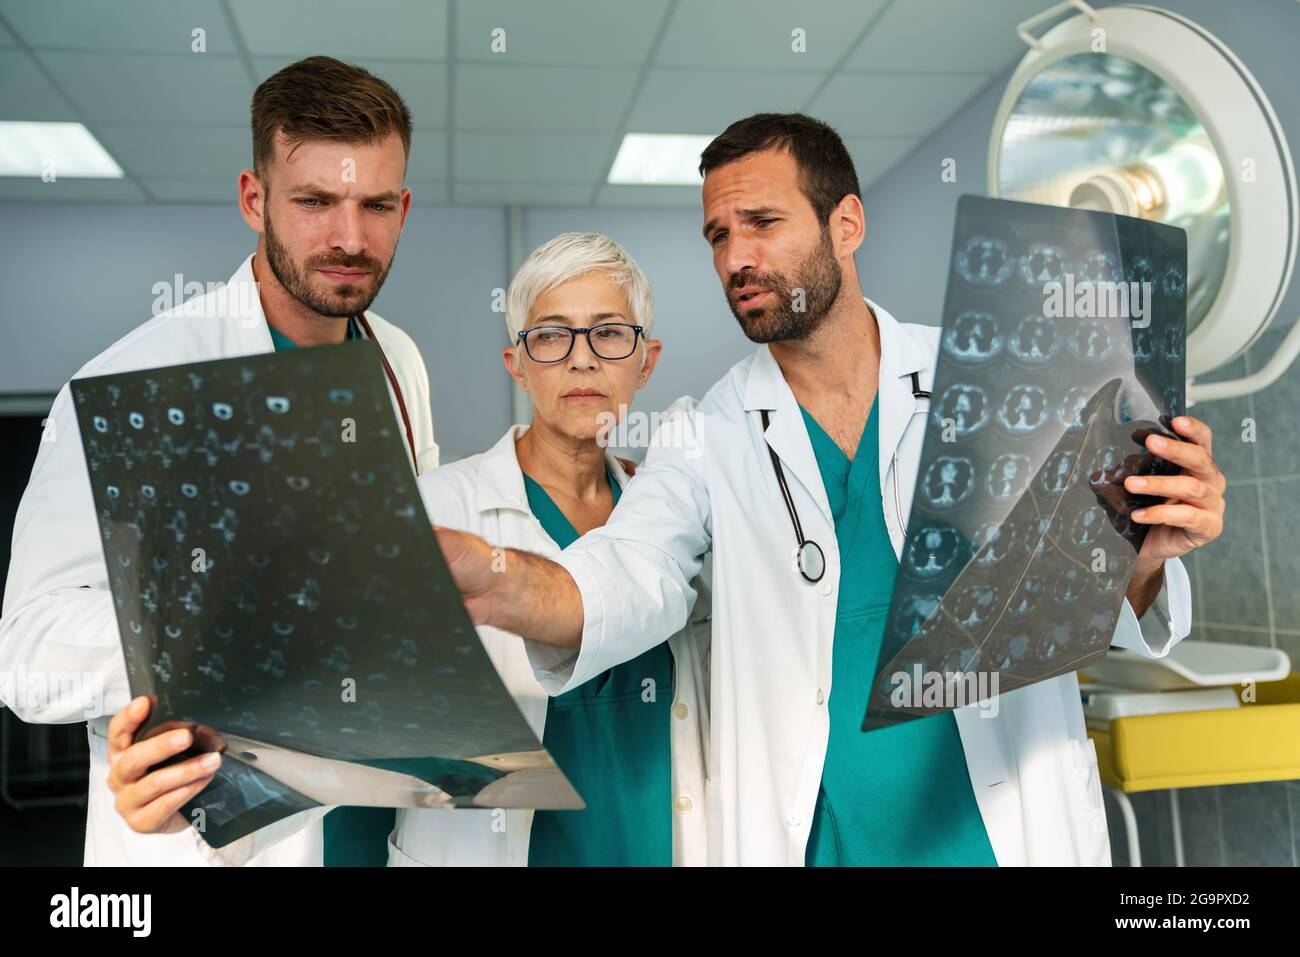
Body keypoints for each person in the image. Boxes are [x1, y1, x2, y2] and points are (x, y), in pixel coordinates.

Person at [433, 113, 1226, 866]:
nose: (736, 257)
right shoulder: (707, 429)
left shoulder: (989, 381)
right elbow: (631, 573)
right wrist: (493, 579)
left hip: (1001, 824)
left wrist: (1144, 555)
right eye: (718, 235)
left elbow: (1079, 592)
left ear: (845, 225)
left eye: (762, 223)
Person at [0, 55, 438, 866]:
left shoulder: (400, 363)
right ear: (254, 199)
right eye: (314, 202)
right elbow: (26, 653)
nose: (350, 237)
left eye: (376, 204)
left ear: (404, 207)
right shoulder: (128, 384)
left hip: (371, 822)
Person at [388, 232, 710, 867]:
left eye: (610, 333)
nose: (582, 360)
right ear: (517, 362)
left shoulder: (674, 515)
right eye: (552, 335)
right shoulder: (437, 510)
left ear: (646, 361)